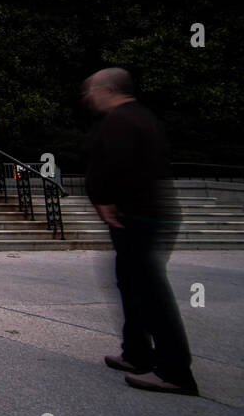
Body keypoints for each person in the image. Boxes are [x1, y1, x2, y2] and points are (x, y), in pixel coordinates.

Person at [84, 68, 197, 396]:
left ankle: (175, 371)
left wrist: (105, 198)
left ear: (108, 89)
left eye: (92, 90)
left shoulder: (121, 121)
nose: (89, 96)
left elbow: (117, 165)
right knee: (131, 281)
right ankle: (136, 352)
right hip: (147, 211)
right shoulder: (142, 117)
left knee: (147, 289)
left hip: (134, 213)